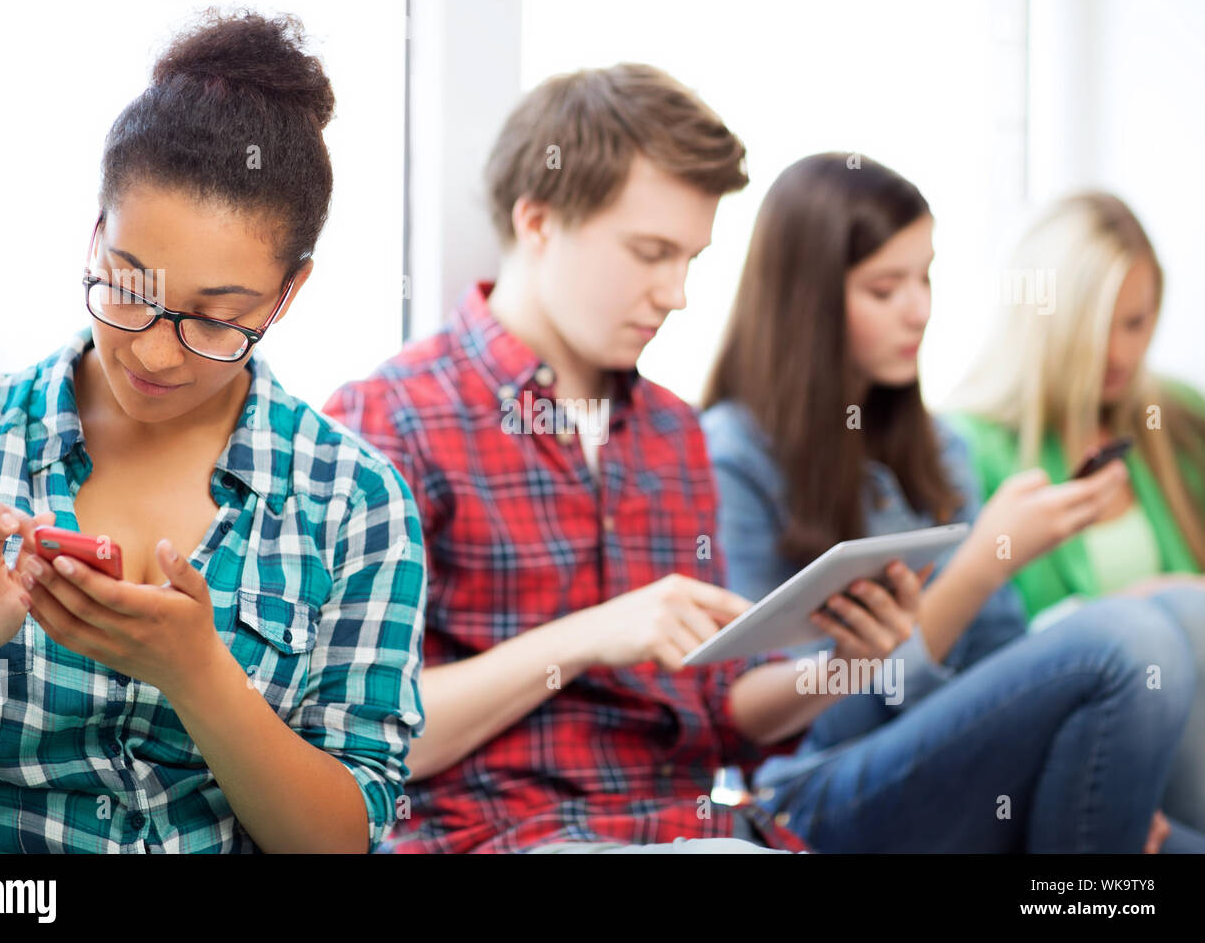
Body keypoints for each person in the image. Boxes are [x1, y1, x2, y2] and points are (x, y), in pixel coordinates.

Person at [0, 10, 424, 853]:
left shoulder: (355, 501)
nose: (151, 352)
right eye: (128, 289)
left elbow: (341, 837)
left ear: (288, 295)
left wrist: (198, 676)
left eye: (217, 318)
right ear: (96, 235)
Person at [324, 63, 875, 853]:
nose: (676, 292)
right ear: (539, 221)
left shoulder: (673, 433)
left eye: (690, 258)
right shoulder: (392, 418)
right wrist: (588, 635)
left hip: (695, 831)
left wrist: (847, 665)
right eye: (650, 252)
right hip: (502, 834)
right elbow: (364, 743)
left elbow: (720, 717)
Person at [699, 152, 1202, 852]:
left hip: (958, 769)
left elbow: (999, 670)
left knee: (1181, 619)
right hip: (815, 788)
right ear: (807, 299)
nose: (920, 309)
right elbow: (807, 727)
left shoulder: (937, 450)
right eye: (885, 288)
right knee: (1136, 636)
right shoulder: (733, 457)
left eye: (925, 278)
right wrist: (981, 567)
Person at [946, 190, 1205, 831]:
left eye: (1137, 323)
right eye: (1097, 327)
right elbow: (978, 675)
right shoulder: (963, 448)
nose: (1119, 354)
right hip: (1079, 738)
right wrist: (1141, 604)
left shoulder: (1174, 420)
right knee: (1167, 624)